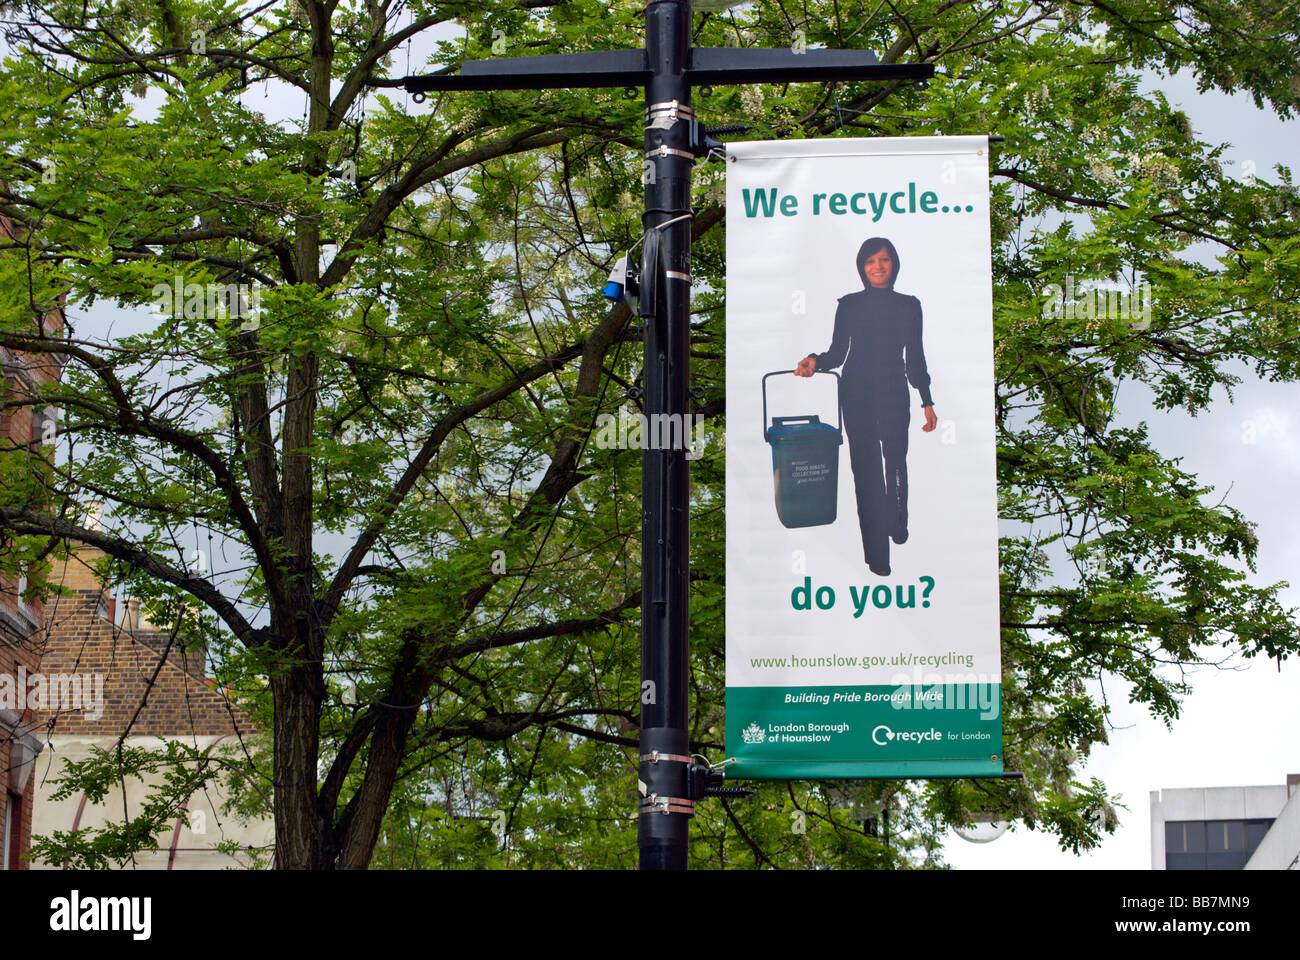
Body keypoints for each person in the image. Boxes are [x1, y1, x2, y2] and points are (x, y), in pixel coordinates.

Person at [795, 237, 936, 576]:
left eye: (884, 259)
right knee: (865, 471)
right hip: (856, 391)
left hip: (893, 390)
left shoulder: (909, 306)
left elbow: (914, 357)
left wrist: (927, 401)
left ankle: (897, 518)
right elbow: (838, 353)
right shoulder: (849, 305)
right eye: (871, 261)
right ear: (862, 266)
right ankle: (878, 558)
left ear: (894, 264)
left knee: (895, 460)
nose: (878, 266)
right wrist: (815, 360)